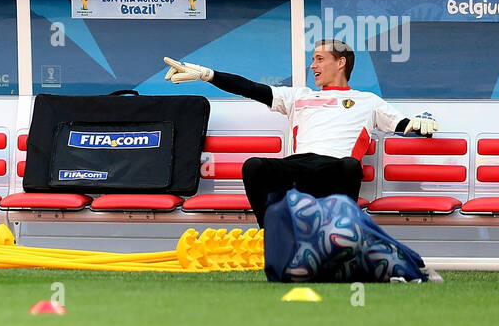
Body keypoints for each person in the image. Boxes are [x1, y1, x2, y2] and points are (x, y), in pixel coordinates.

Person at [162, 39, 439, 227]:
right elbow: (249, 88)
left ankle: (340, 234)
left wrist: (421, 124)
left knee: (351, 166)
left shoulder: (367, 100)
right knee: (254, 166)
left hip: (334, 169)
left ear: (341, 63)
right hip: (297, 167)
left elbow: (405, 124)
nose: (312, 66)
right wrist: (206, 74)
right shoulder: (299, 96)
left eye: (319, 59)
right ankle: (271, 235)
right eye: (312, 59)